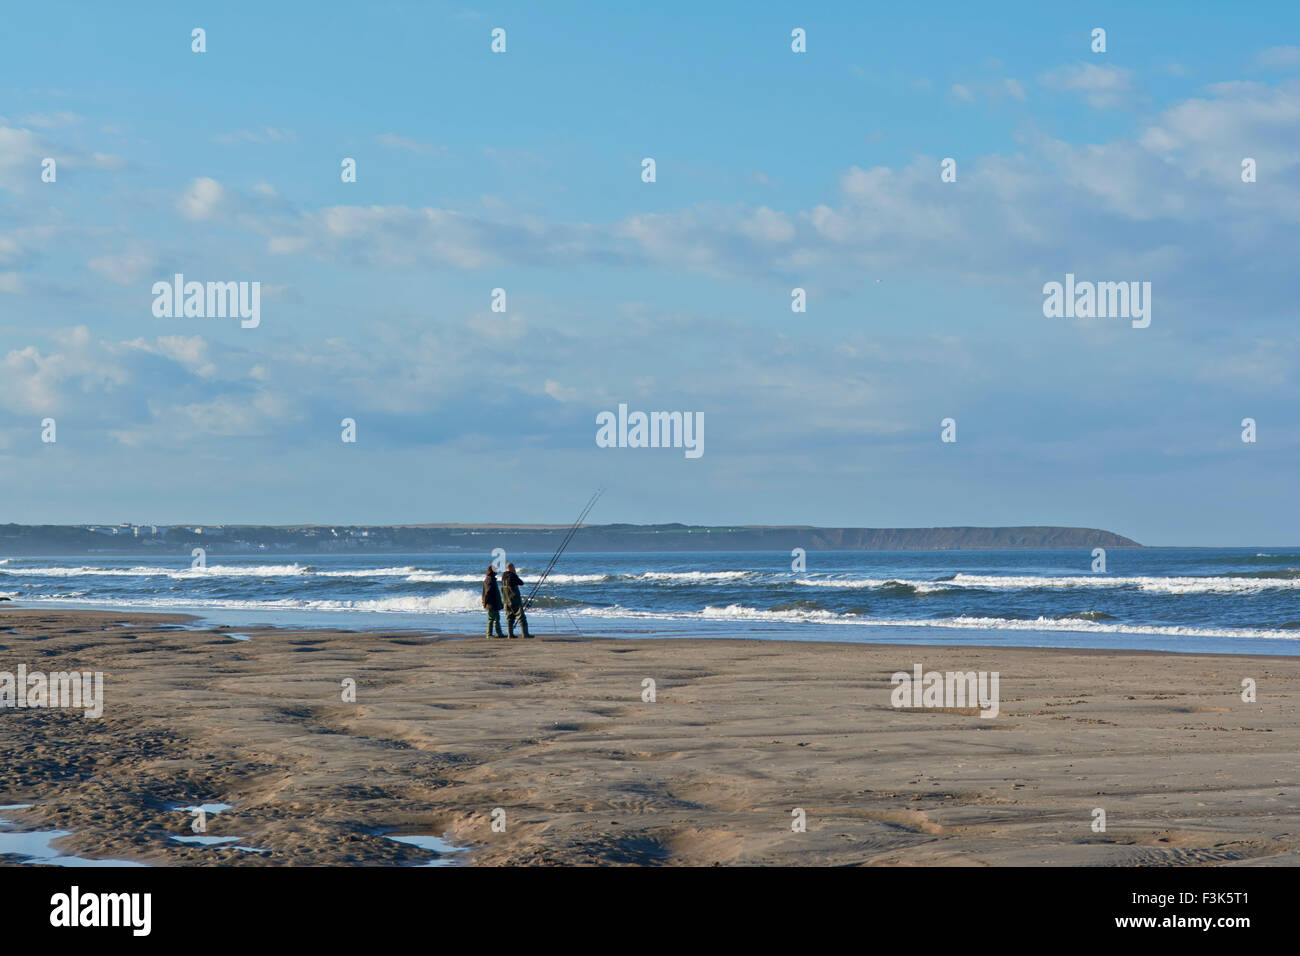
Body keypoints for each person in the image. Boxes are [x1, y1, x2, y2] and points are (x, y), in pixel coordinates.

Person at [501, 562, 532, 639]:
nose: (514, 569)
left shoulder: (503, 576)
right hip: (514, 600)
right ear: (511, 568)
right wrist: (515, 574)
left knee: (509, 618)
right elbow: (521, 583)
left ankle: (510, 635)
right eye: (514, 568)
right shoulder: (512, 575)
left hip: (506, 601)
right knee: (521, 617)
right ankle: (525, 634)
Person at [482, 566, 505, 638]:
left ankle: (499, 633)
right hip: (492, 603)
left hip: (493, 603)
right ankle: (489, 634)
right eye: (495, 570)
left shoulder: (490, 579)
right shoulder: (490, 580)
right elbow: (487, 593)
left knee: (496, 618)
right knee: (492, 619)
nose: (497, 572)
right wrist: (485, 602)